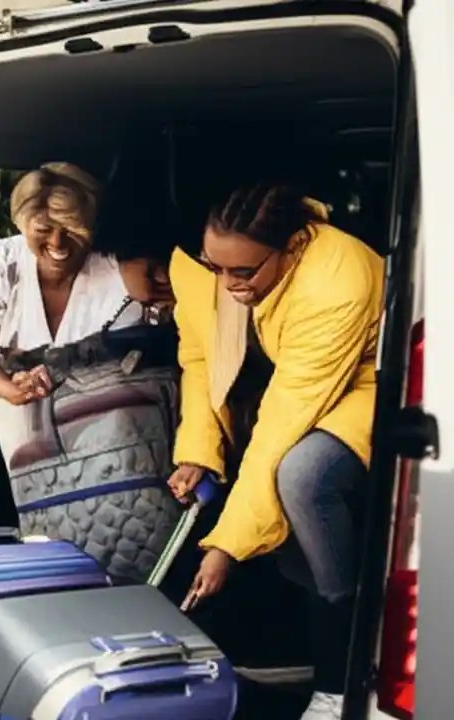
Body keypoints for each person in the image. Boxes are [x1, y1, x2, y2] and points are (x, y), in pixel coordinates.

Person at [167, 184, 383, 720]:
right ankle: (303, 644)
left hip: (372, 381)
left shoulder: (338, 282)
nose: (228, 285)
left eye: (243, 273)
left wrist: (227, 549)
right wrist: (198, 450)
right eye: (215, 268)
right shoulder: (211, 265)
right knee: (274, 490)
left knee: (303, 476)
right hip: (302, 386)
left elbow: (285, 421)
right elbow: (200, 358)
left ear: (295, 245)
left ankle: (342, 673)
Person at [0, 161, 142, 407]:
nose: (57, 243)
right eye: (43, 229)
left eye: (71, 229)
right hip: (23, 424)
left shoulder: (120, 270)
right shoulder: (0, 266)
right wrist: (9, 388)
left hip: (110, 420)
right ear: (23, 224)